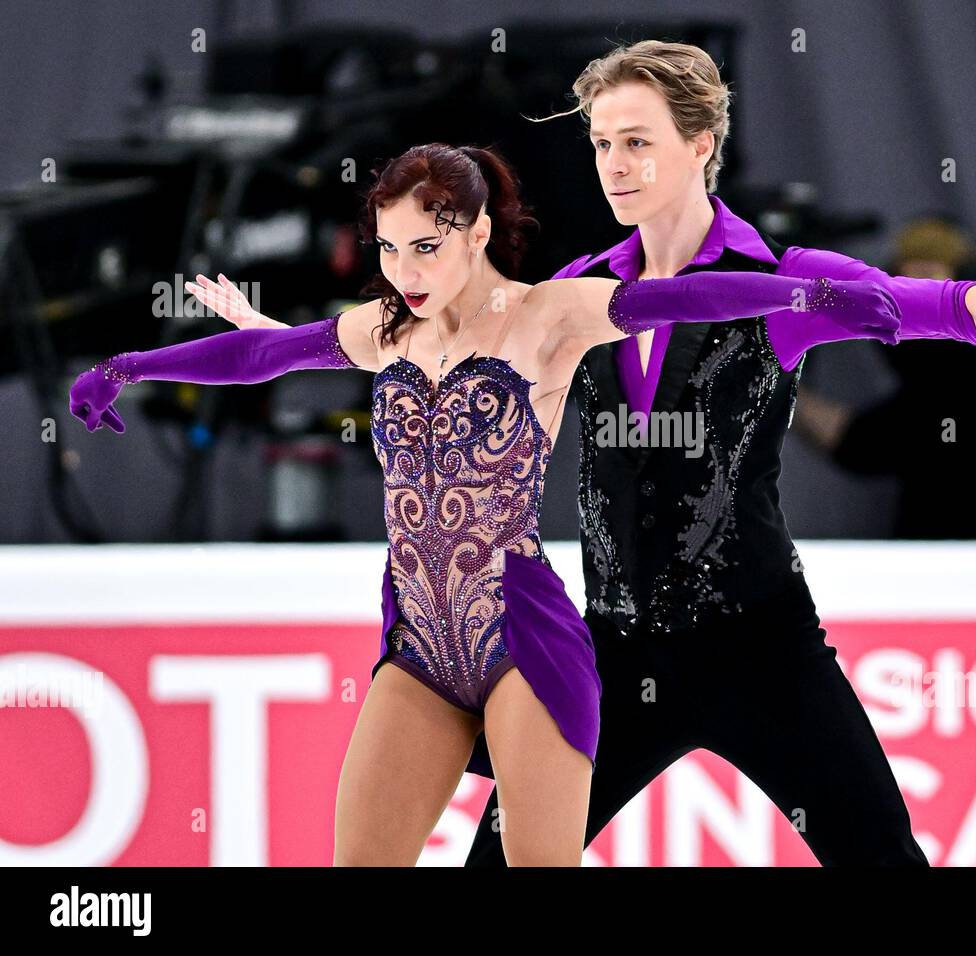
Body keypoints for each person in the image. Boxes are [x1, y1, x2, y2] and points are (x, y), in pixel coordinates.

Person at [68, 141, 919, 866]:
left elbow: (686, 296)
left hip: (525, 641)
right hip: (418, 643)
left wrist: (799, 293)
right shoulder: (385, 330)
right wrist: (132, 366)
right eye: (390, 250)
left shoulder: (547, 316)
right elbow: (264, 357)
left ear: (476, 234)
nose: (405, 273)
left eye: (426, 249)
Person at [792, 215, 976, 538]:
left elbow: (862, 445)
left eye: (933, 287)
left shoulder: (975, 369)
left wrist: (775, 384)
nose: (918, 310)